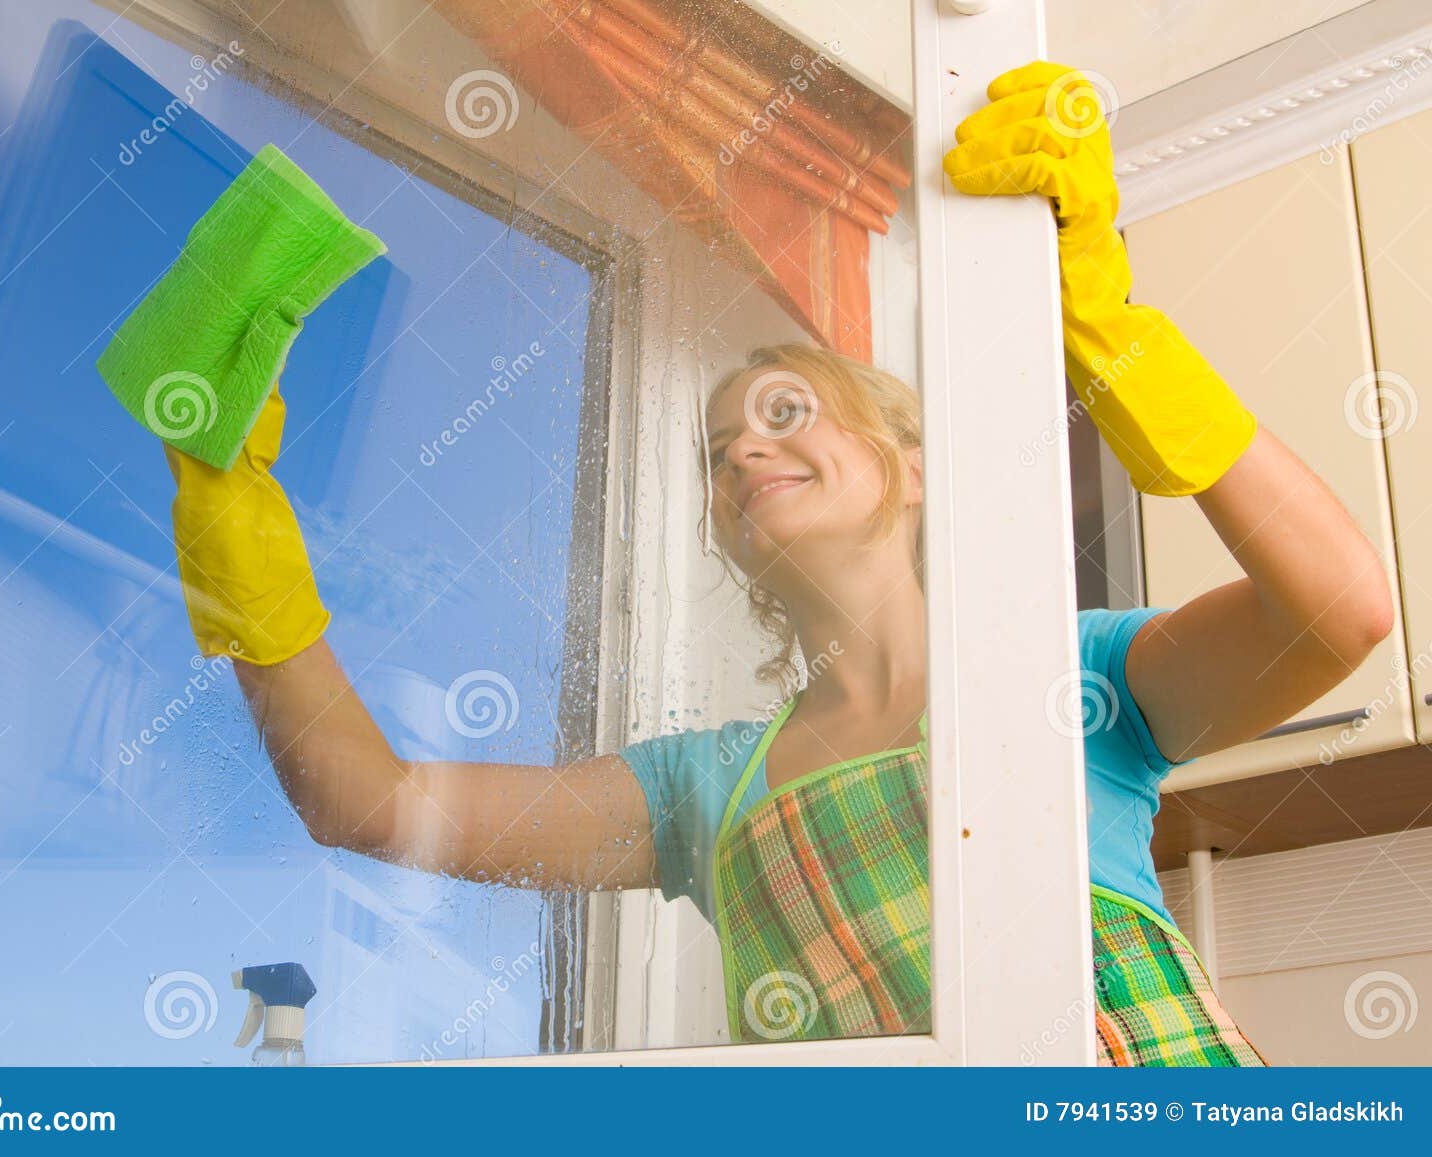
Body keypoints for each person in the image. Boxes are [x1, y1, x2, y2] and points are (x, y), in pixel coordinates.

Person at [161, 64, 1394, 1064]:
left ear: (914, 466)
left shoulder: (1069, 680)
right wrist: (233, 518)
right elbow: (367, 802)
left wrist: (1108, 333)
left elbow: (1337, 609)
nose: (744, 448)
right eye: (717, 452)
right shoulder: (702, 791)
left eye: (786, 414)